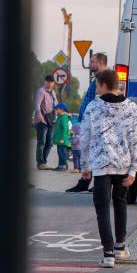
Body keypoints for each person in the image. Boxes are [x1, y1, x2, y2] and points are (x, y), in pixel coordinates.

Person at [79, 69, 137, 268]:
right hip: (123, 165)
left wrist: (85, 166)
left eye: (97, 84)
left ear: (104, 84)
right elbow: (136, 140)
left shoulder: (93, 107)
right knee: (121, 203)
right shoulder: (131, 108)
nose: (96, 88)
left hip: (100, 166)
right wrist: (133, 170)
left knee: (102, 208)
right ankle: (121, 248)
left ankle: (108, 254)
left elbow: (85, 138)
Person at [67, 52, 109, 192]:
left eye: (92, 61)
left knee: (93, 153)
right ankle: (88, 182)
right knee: (90, 153)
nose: (90, 64)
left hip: (94, 122)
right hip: (88, 120)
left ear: (100, 62)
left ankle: (91, 183)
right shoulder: (97, 79)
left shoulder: (105, 79)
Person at [33, 75, 58, 170]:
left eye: (52, 82)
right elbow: (36, 104)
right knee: (42, 142)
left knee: (50, 143)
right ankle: (41, 162)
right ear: (45, 82)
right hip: (42, 120)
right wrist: (38, 114)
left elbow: (56, 104)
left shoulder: (53, 93)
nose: (50, 83)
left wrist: (63, 112)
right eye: (48, 81)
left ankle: (43, 161)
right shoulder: (41, 91)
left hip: (51, 120)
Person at [51, 102, 71, 170]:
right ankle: (60, 165)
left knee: (62, 153)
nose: (56, 111)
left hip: (62, 139)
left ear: (62, 109)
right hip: (59, 139)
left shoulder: (63, 118)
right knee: (60, 153)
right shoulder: (60, 117)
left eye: (57, 109)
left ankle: (63, 166)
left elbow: (65, 129)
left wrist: (62, 138)